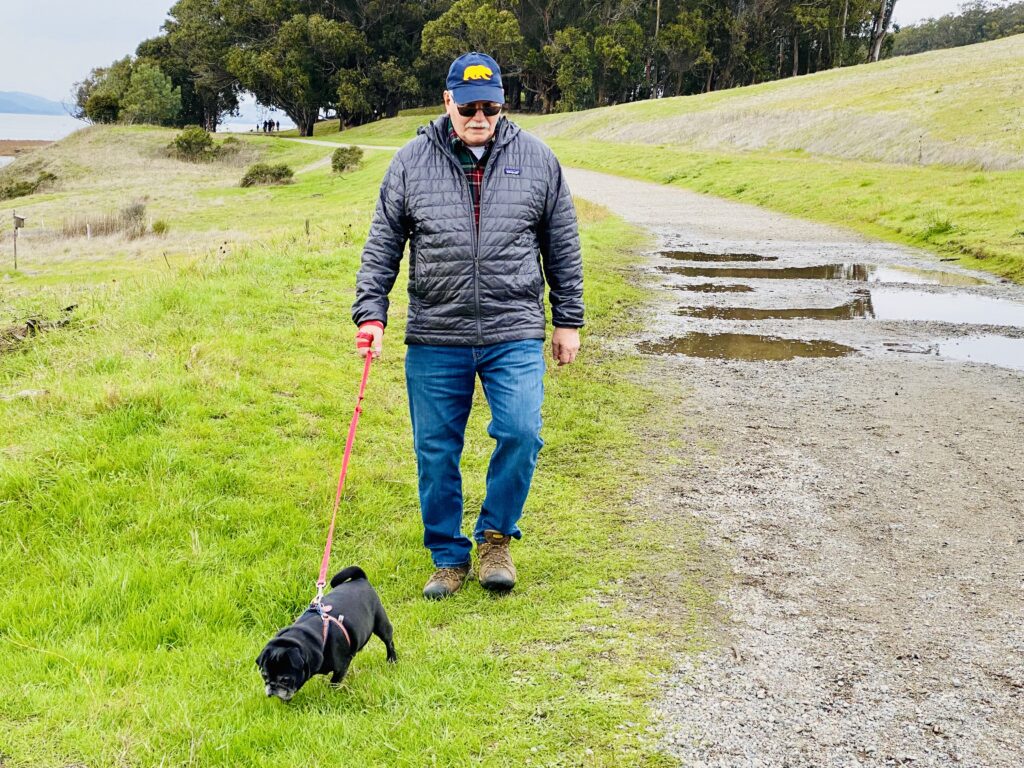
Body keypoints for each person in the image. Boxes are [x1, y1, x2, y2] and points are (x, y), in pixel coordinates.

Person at [352, 51, 583, 599]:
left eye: (492, 106)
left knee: (522, 433)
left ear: (502, 104)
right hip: (437, 330)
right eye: (470, 106)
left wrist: (567, 320)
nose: (480, 117)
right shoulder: (410, 162)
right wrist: (372, 313)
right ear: (448, 99)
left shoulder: (538, 159)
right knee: (435, 451)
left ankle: (496, 538)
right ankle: (447, 556)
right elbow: (382, 245)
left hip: (514, 327)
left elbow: (563, 245)